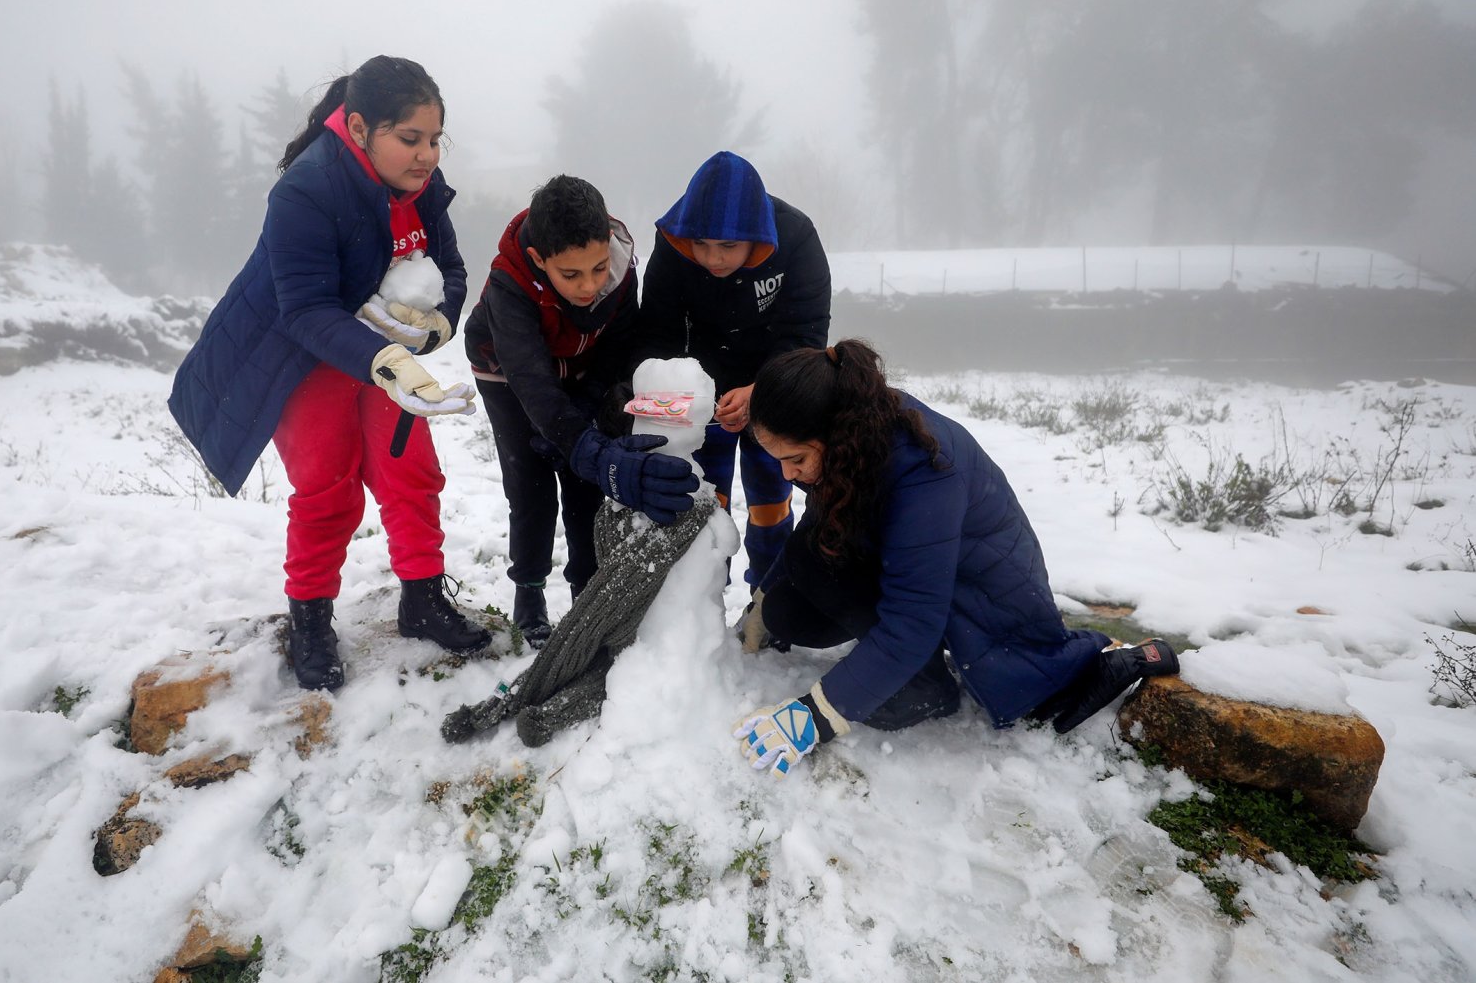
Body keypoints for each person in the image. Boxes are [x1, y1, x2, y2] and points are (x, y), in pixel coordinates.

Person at [169, 55, 489, 693]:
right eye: (410, 140)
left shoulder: (421, 185)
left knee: (411, 473)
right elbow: (304, 309)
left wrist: (437, 325)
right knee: (327, 487)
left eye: (435, 139)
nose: (427, 155)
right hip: (299, 354)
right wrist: (385, 359)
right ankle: (310, 619)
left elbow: (450, 266)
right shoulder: (307, 190)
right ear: (363, 128)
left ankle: (422, 598)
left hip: (378, 350)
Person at [731, 339, 1179, 777]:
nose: (788, 475)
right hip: (916, 570)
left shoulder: (925, 471)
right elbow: (819, 525)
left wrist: (816, 714)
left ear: (832, 434)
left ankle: (928, 687)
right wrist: (763, 601)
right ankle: (893, 665)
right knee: (793, 604)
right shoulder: (854, 431)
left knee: (892, 700)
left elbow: (913, 622)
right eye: (780, 462)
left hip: (982, 599)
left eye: (796, 459)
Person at [465, 175, 699, 647]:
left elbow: (619, 343)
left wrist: (589, 417)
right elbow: (532, 384)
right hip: (508, 373)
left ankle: (585, 592)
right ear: (539, 260)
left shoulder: (617, 261)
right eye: (571, 275)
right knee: (530, 482)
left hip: (584, 364)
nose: (590, 285)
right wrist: (575, 439)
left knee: (585, 484)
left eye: (597, 268)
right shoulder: (509, 284)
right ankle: (528, 590)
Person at [636, 151, 830, 591]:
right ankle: (701, 607)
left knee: (771, 502)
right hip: (705, 396)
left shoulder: (796, 238)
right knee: (704, 504)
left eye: (727, 247)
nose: (712, 259)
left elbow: (807, 333)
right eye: (701, 244)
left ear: (758, 238)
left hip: (777, 388)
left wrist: (762, 390)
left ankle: (770, 602)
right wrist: (685, 397)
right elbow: (657, 336)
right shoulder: (672, 243)